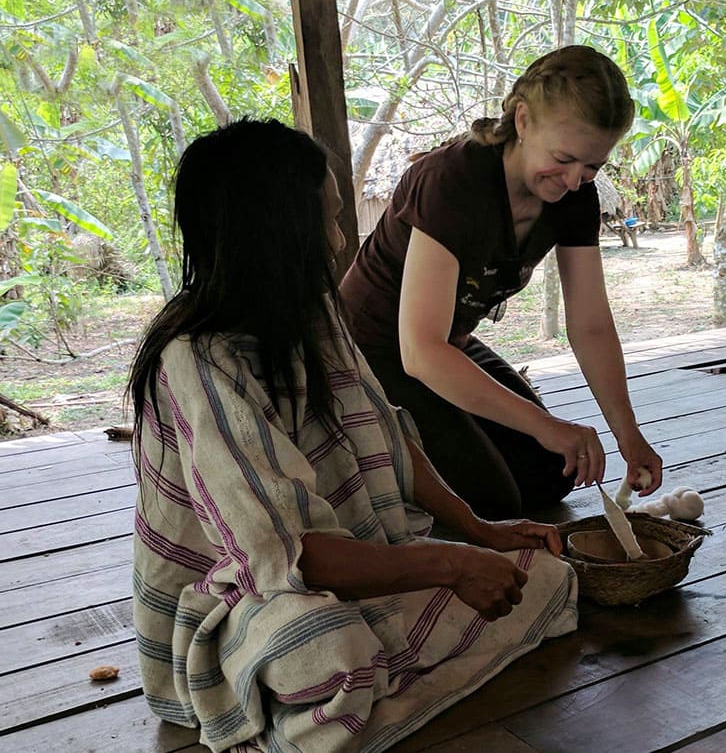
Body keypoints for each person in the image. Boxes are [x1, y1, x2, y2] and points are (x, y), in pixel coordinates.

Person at [128, 119, 578, 753]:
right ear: (274, 233)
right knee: (317, 648)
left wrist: (481, 533)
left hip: (347, 571)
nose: (340, 239)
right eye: (327, 219)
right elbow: (286, 557)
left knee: (547, 579)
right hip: (235, 604)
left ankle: (350, 713)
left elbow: (388, 439)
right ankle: (359, 692)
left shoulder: (313, 312)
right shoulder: (197, 361)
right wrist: (449, 563)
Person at [339, 45, 662, 520]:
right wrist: (544, 424)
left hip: (446, 344)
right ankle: (361, 466)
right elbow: (420, 351)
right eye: (565, 158)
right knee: (492, 503)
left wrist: (628, 434)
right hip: (370, 354)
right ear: (524, 120)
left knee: (555, 472)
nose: (575, 180)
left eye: (593, 166)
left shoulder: (575, 199)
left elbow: (590, 324)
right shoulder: (454, 181)